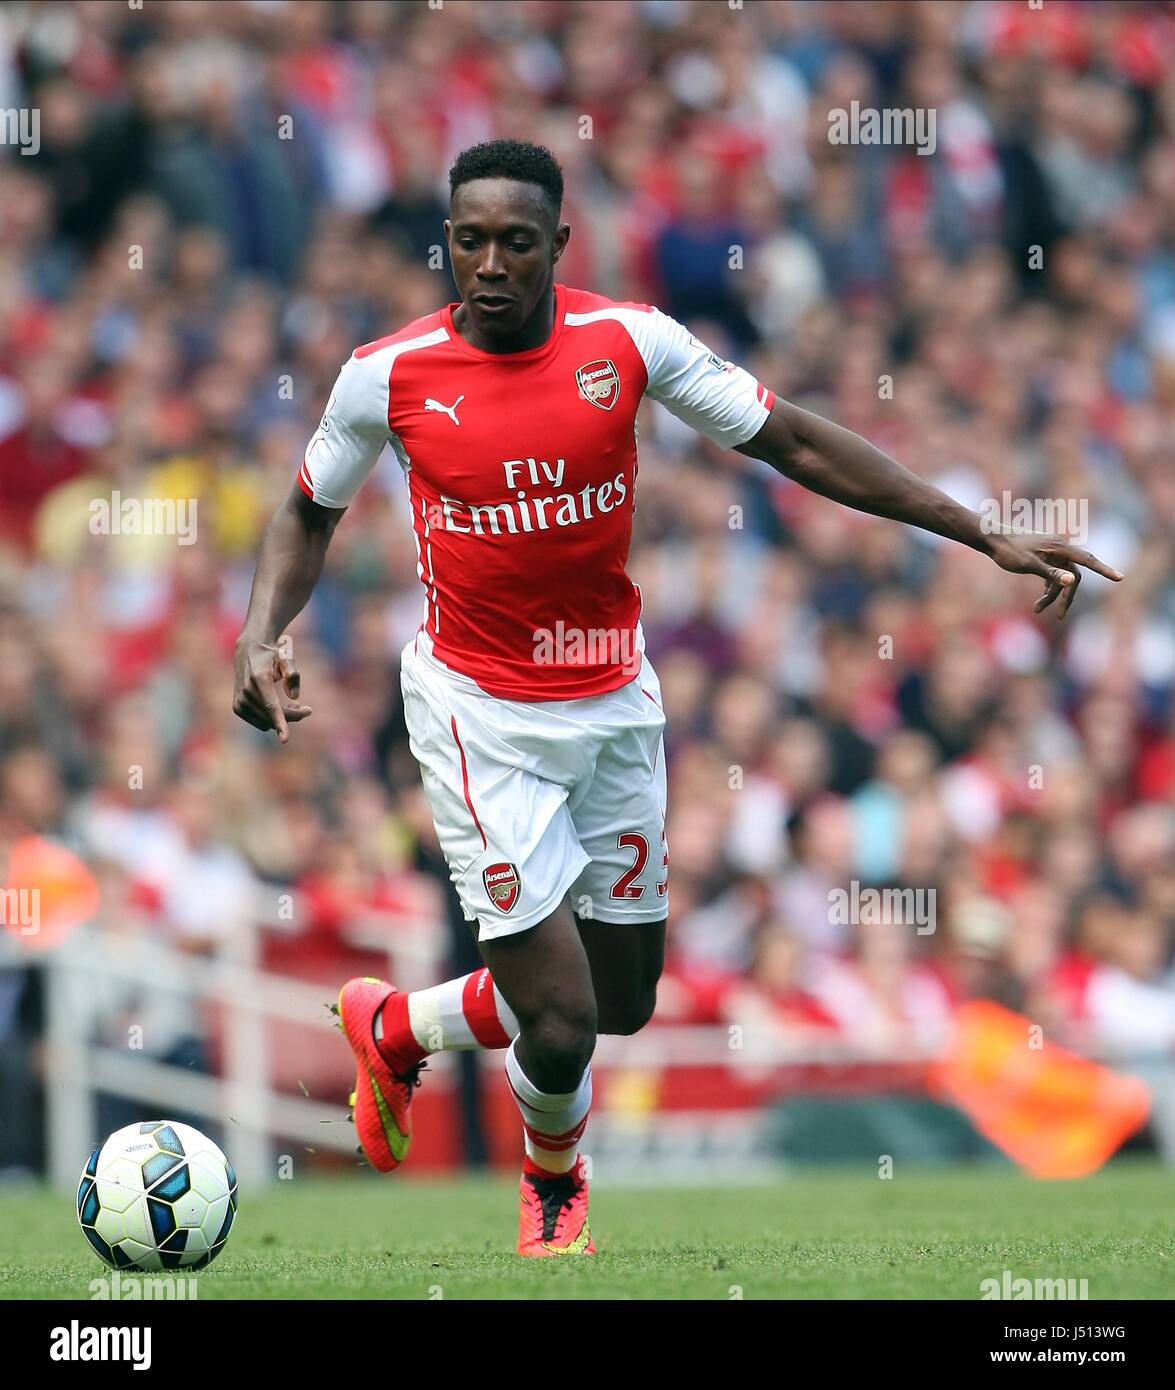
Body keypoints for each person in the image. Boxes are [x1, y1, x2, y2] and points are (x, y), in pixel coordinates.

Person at [232, 139, 1121, 1256]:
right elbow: (308, 509)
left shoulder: (628, 343)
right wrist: (260, 633)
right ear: (445, 245)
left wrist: (973, 525)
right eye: (470, 241)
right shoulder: (387, 373)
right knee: (558, 1023)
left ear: (559, 244)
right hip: (476, 712)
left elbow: (790, 437)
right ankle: (554, 1189)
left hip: (613, 698)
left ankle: (397, 1025)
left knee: (622, 1001)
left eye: (517, 241)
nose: (492, 264)